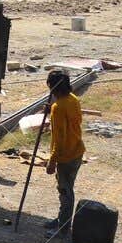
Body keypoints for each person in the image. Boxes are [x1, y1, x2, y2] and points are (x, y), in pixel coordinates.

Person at [43, 69, 85, 234]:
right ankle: (62, 218)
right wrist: (52, 109)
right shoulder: (72, 99)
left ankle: (63, 228)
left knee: (65, 190)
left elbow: (59, 138)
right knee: (68, 187)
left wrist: (52, 161)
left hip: (66, 155)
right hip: (77, 150)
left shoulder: (58, 108)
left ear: (53, 87)